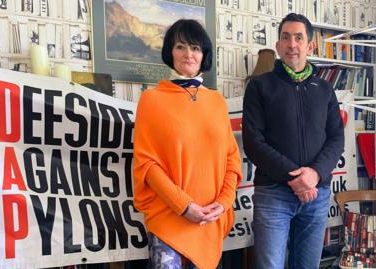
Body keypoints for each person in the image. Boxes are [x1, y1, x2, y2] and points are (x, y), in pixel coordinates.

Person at [133, 19, 242, 269]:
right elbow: (147, 165)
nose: (188, 54)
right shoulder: (151, 100)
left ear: (203, 54)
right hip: (169, 219)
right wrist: (184, 206)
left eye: (195, 47)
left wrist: (223, 203)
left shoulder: (217, 102)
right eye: (180, 46)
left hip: (210, 220)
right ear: (170, 52)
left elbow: (231, 160)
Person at [242, 13, 345, 269]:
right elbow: (253, 142)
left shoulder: (325, 89)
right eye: (286, 37)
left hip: (316, 195)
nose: (292, 44)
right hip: (273, 195)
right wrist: (297, 179)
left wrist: (314, 174)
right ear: (277, 45)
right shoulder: (259, 86)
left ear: (310, 46)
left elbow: (336, 138)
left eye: (299, 38)